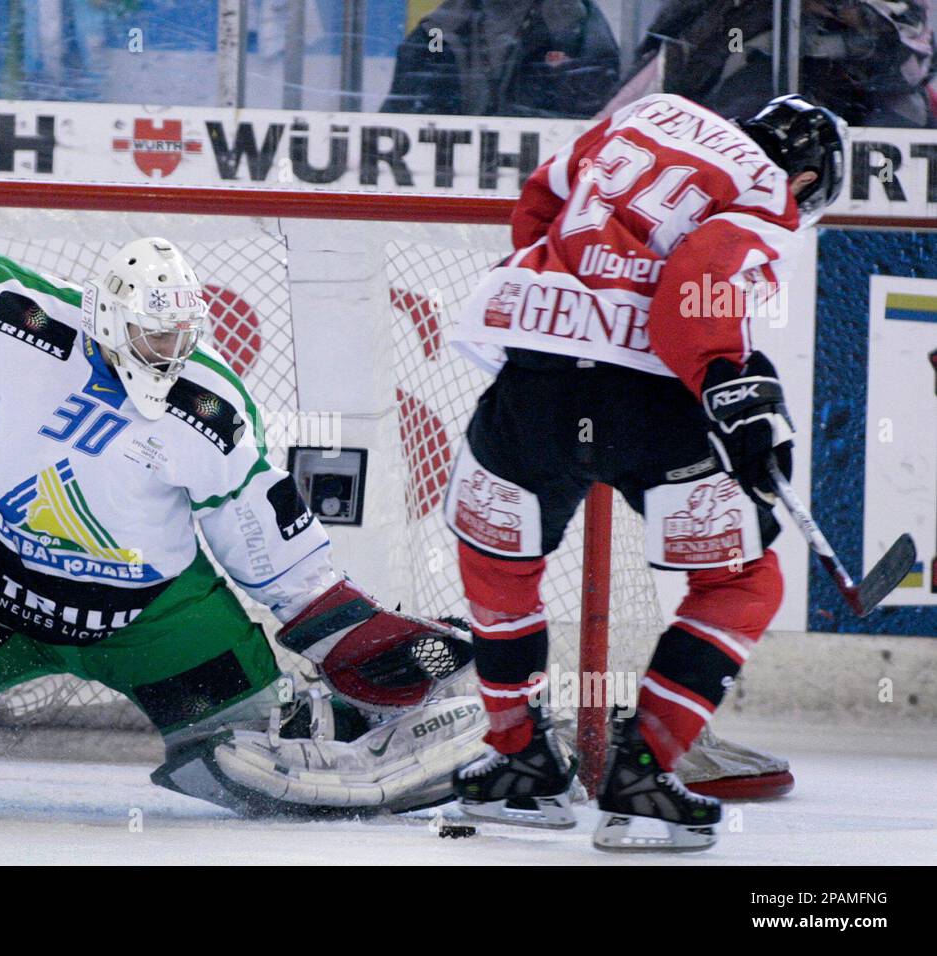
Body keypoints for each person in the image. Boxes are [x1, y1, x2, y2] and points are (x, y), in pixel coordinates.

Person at [0, 237, 486, 816]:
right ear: (109, 320)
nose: (167, 352)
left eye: (180, 337)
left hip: (158, 619)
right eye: (151, 336)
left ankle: (374, 706)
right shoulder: (19, 320)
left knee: (251, 763)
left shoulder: (210, 411)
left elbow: (274, 555)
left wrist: (348, 634)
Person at [442, 93, 846, 850]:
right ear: (808, 179)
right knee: (741, 582)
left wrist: (561, 299)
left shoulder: (649, 112)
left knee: (498, 562)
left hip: (536, 379)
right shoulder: (765, 188)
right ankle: (640, 776)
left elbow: (542, 200)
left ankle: (521, 767)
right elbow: (691, 301)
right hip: (650, 401)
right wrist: (734, 386)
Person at [615, 0, 936, 128]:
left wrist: (854, 16)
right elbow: (676, 71)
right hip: (745, 108)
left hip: (865, 121)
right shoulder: (734, 20)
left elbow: (908, 65)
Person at [381, 0, 619, 118]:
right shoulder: (435, 33)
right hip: (452, 195)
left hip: (546, 196)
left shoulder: (575, 27)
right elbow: (398, 124)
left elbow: (597, 127)